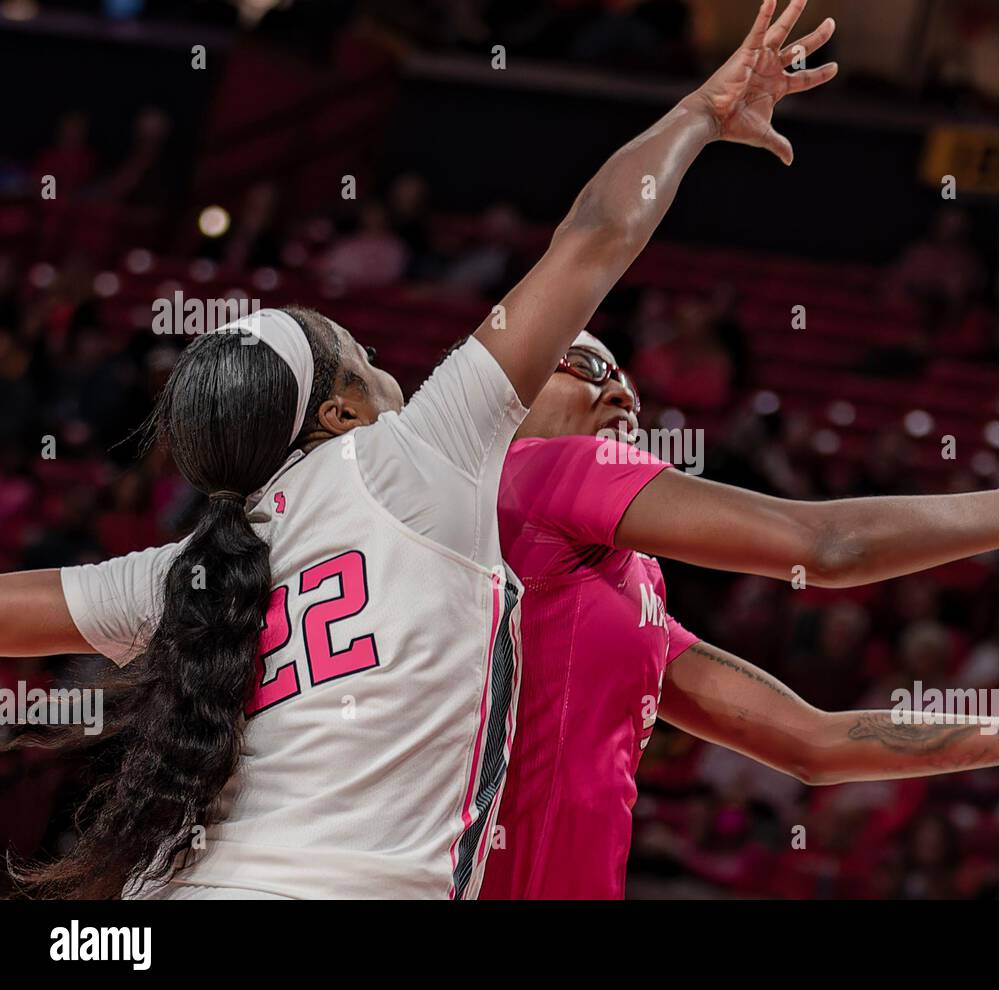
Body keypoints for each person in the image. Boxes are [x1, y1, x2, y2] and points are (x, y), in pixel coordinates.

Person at [0, 0, 838, 899]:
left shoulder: (193, 567)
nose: (376, 355)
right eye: (356, 352)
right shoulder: (413, 456)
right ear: (334, 414)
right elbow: (596, 235)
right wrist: (698, 116)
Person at [478, 330, 999, 898]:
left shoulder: (618, 580)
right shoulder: (539, 468)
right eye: (585, 366)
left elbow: (815, 742)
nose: (622, 395)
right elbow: (826, 546)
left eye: (631, 387)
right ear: (501, 398)